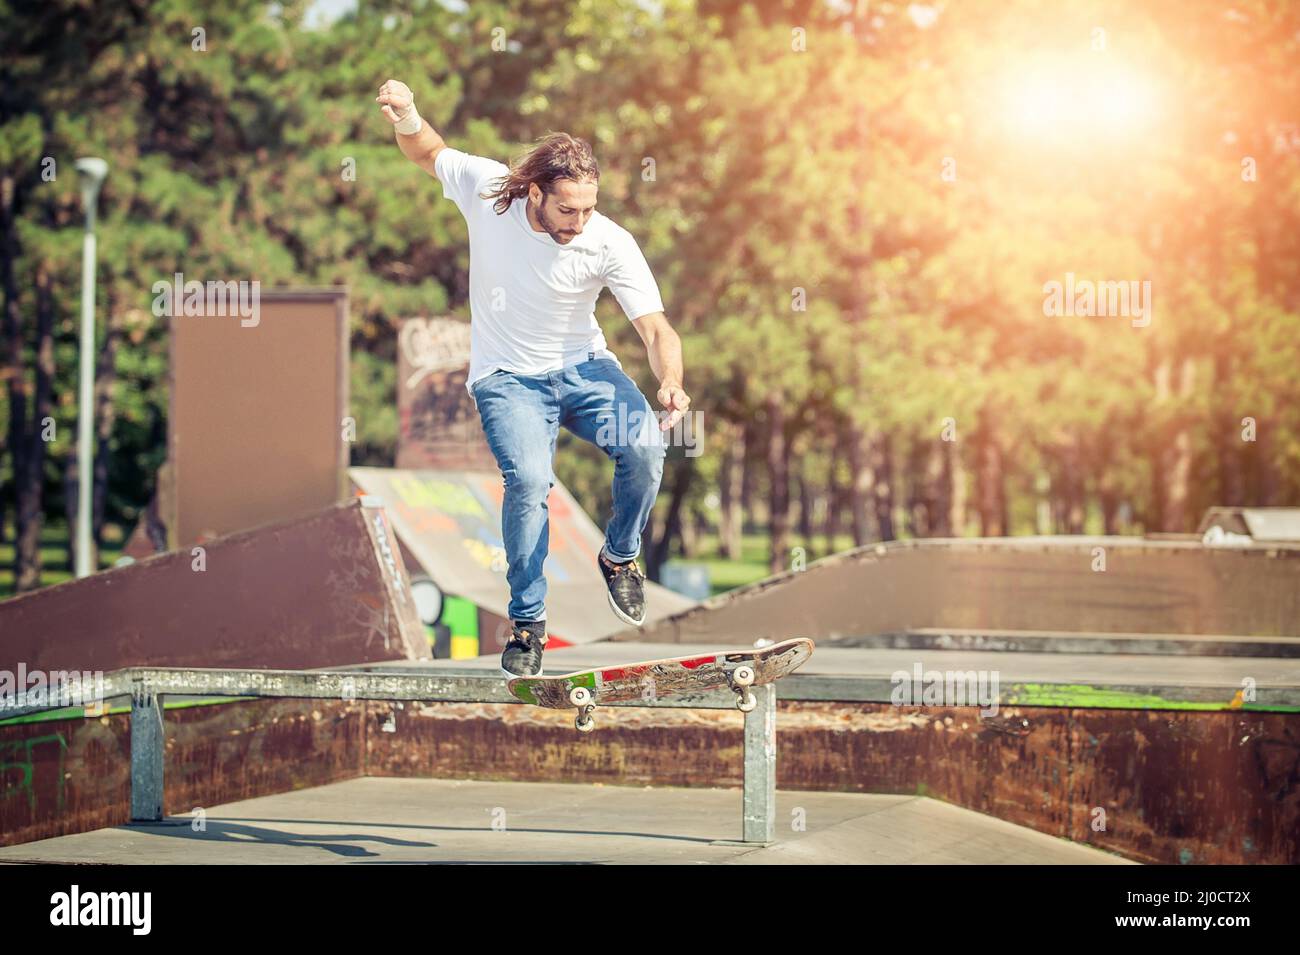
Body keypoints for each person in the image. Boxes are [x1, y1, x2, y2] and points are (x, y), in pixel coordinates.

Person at [378, 79, 691, 678]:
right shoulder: (490, 189)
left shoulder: (608, 241)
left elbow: (656, 330)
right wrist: (409, 114)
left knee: (647, 448)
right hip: (508, 380)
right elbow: (426, 151)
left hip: (585, 369)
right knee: (528, 482)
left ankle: (621, 557)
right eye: (566, 209)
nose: (577, 222)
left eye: (587, 209)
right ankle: (527, 624)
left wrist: (670, 381)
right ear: (536, 193)